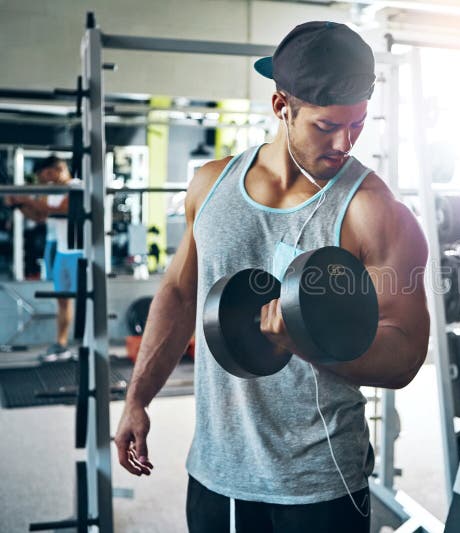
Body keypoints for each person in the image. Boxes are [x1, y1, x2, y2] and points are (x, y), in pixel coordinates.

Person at [114, 21, 430, 532]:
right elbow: (178, 292)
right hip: (215, 474)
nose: (345, 143)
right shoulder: (210, 186)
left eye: (358, 124)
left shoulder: (376, 213)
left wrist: (313, 344)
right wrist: (137, 398)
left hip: (319, 484)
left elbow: (408, 351)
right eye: (326, 127)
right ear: (281, 105)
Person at [5, 155, 78, 360]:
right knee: (63, 300)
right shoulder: (52, 191)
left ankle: (90, 344)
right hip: (63, 250)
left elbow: (64, 210)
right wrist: (17, 205)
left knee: (86, 299)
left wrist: (27, 199)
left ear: (57, 169)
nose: (42, 179)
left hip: (79, 251)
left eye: (44, 174)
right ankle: (61, 344)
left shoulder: (75, 186)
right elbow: (39, 216)